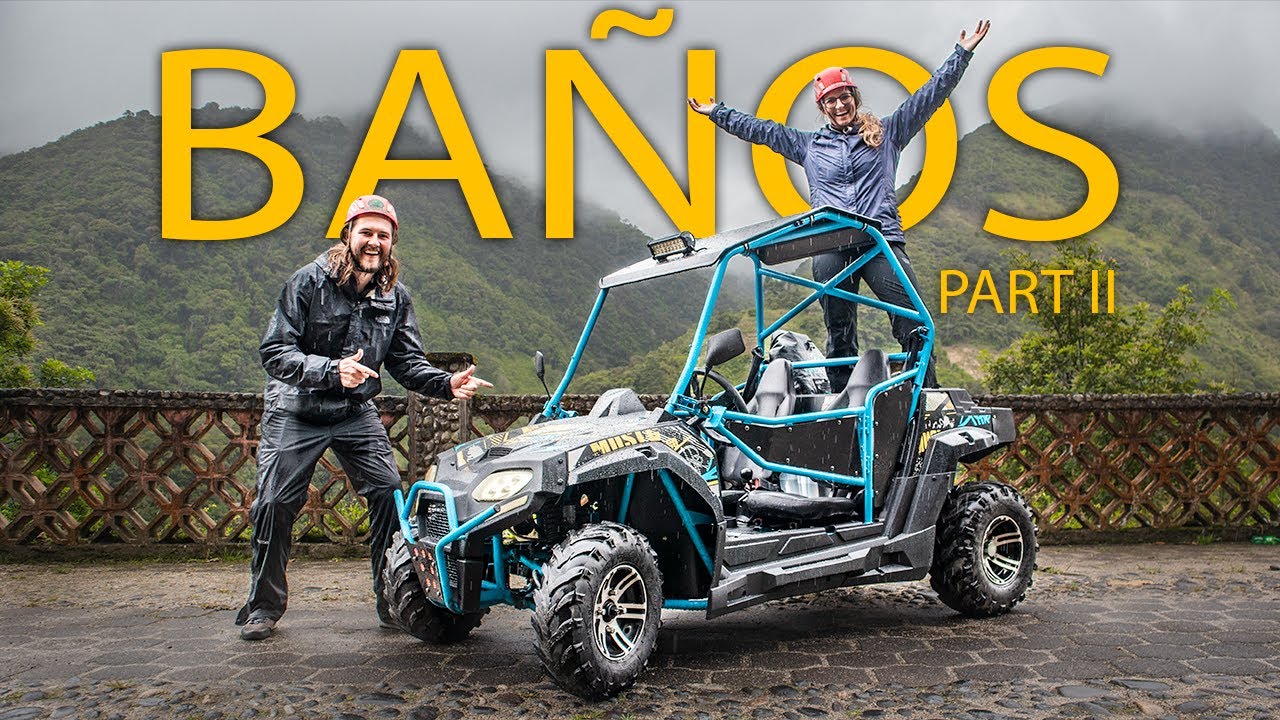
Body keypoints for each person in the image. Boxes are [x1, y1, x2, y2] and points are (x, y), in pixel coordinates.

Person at [235, 194, 492, 641]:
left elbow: (406, 361)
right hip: (297, 407)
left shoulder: (395, 297)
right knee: (275, 503)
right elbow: (275, 352)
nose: (374, 242)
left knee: (390, 493)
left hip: (355, 412)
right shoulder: (308, 283)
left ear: (392, 244)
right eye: (366, 233)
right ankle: (263, 606)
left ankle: (390, 599)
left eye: (383, 236)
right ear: (348, 235)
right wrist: (332, 370)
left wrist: (446, 384)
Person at [689, 20, 991, 390]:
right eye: (830, 100)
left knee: (913, 321)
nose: (839, 104)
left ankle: (926, 399)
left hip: (880, 243)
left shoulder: (888, 132)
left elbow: (930, 96)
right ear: (823, 107)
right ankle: (842, 407)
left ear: (854, 97)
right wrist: (718, 112)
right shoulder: (809, 145)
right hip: (830, 245)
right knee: (839, 331)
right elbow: (762, 130)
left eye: (844, 96)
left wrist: (961, 54)